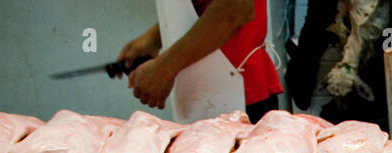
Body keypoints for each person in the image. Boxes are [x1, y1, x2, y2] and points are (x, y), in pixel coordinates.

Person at [119, 0, 284, 122]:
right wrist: (156, 37)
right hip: (205, 94)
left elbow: (234, 9)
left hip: (238, 93)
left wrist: (165, 68)